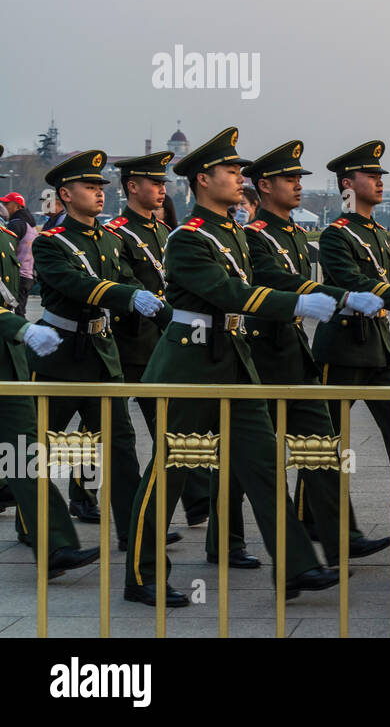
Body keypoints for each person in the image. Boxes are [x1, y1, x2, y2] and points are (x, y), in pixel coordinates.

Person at [123, 127, 340, 606]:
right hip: (189, 363)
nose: (240, 177)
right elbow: (227, 294)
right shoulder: (187, 237)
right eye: (231, 171)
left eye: (241, 170)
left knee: (263, 465)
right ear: (203, 179)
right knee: (171, 469)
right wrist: (297, 306)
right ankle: (141, 574)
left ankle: (296, 565)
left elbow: (256, 285)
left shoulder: (235, 234)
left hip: (234, 363)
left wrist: (313, 297)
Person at [218, 139, 390, 572]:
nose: (298, 186)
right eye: (290, 179)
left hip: (294, 351)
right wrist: (341, 294)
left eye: (299, 179)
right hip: (262, 354)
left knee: (320, 450)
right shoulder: (254, 236)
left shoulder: (295, 233)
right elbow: (278, 282)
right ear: (265, 185)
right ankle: (225, 539)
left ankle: (340, 540)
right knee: (250, 461)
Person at [307, 141, 390, 541]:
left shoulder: (377, 233)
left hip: (378, 347)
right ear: (348, 184)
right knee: (326, 440)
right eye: (372, 176)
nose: (380, 182)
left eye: (382, 176)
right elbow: (354, 281)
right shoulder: (336, 235)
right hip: (343, 347)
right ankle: (316, 519)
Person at [30, 150, 162, 551]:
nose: (99, 193)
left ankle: (134, 532)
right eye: (90, 187)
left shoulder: (109, 239)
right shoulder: (50, 243)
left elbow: (124, 278)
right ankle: (38, 532)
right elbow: (76, 285)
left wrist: (157, 306)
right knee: (38, 449)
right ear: (66, 195)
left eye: (101, 186)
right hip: (61, 355)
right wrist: (128, 295)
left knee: (121, 448)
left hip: (102, 354)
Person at [0, 142, 100, 579]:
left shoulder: (4, 236)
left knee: (23, 453)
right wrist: (22, 328)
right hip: (12, 342)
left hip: (6, 362)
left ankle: (56, 544)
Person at [102, 151, 211, 532]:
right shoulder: (115, 233)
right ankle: (127, 518)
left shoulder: (165, 232)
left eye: (164, 183)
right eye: (155, 183)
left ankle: (198, 501)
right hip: (126, 342)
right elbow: (124, 280)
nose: (163, 190)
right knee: (116, 434)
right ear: (132, 187)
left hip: (161, 344)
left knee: (172, 424)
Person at [0, 194, 37, 315]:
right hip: (28, 274)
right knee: (20, 310)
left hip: (17, 275)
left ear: (17, 206)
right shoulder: (29, 223)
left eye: (6, 204)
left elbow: (7, 248)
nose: (3, 207)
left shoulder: (16, 224)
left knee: (13, 313)